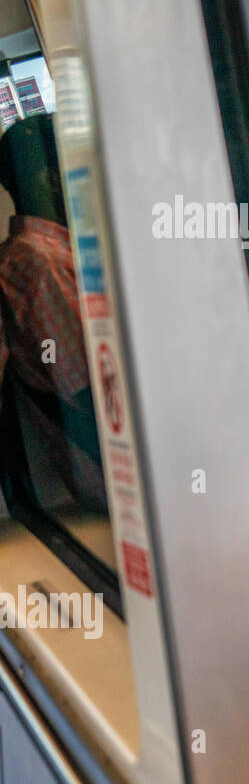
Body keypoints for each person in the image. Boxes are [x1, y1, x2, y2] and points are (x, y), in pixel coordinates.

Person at [0, 114, 107, 510]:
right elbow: (90, 388)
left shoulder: (55, 255)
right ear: (51, 179)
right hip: (116, 475)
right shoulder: (38, 265)